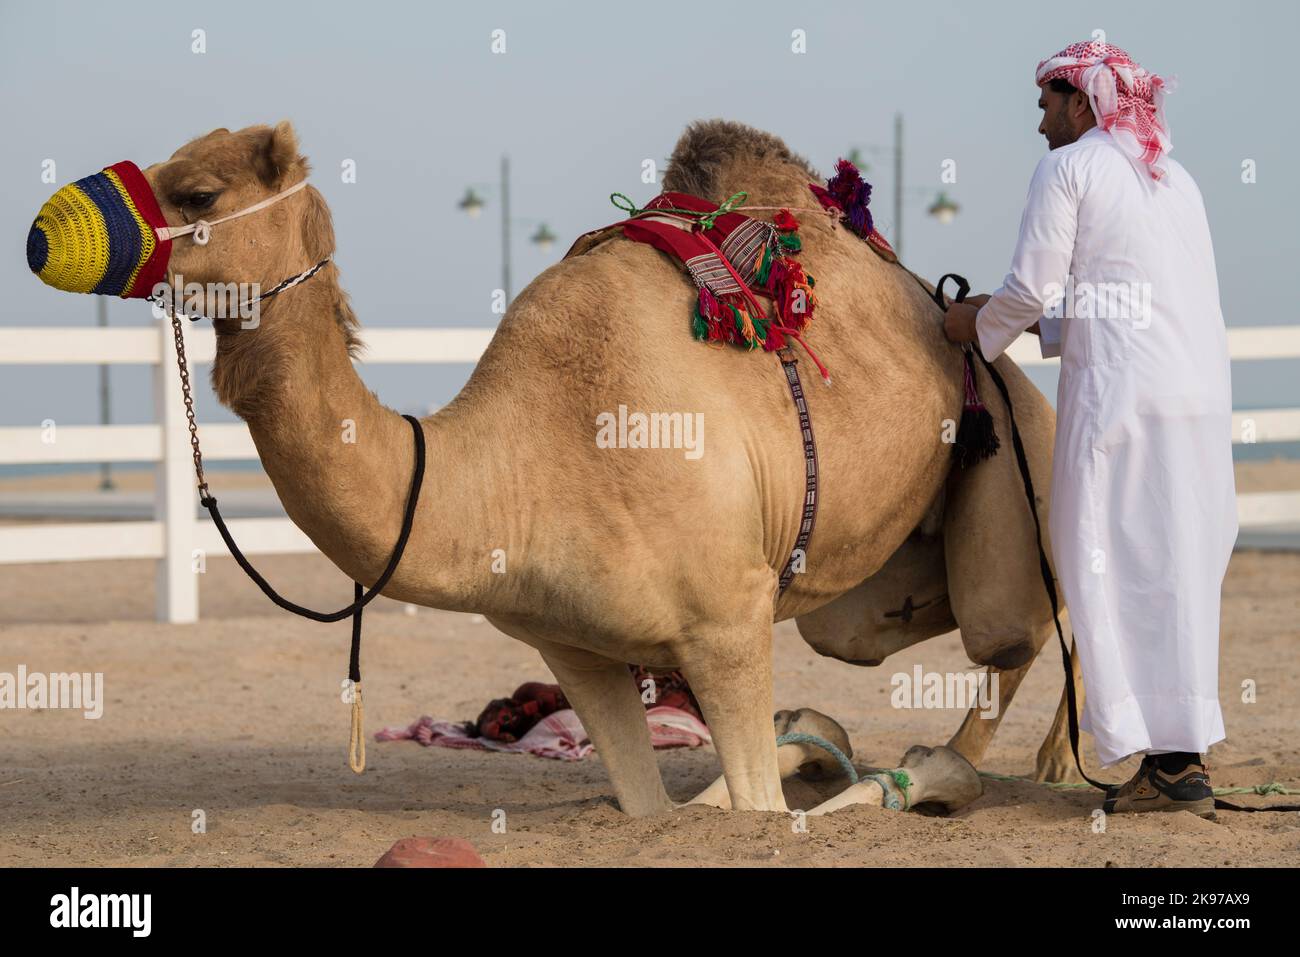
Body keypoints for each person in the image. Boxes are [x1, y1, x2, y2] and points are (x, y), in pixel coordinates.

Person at [943, 41, 1236, 818]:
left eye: (1046, 103)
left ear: (1080, 102)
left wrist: (974, 326)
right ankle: (1180, 761)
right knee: (1173, 567)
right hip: (1196, 403)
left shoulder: (1069, 168)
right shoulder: (1176, 179)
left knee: (1099, 556)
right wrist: (1033, 330)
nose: (1039, 122)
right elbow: (1131, 303)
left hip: (1122, 404)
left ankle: (1165, 758)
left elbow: (1032, 285)